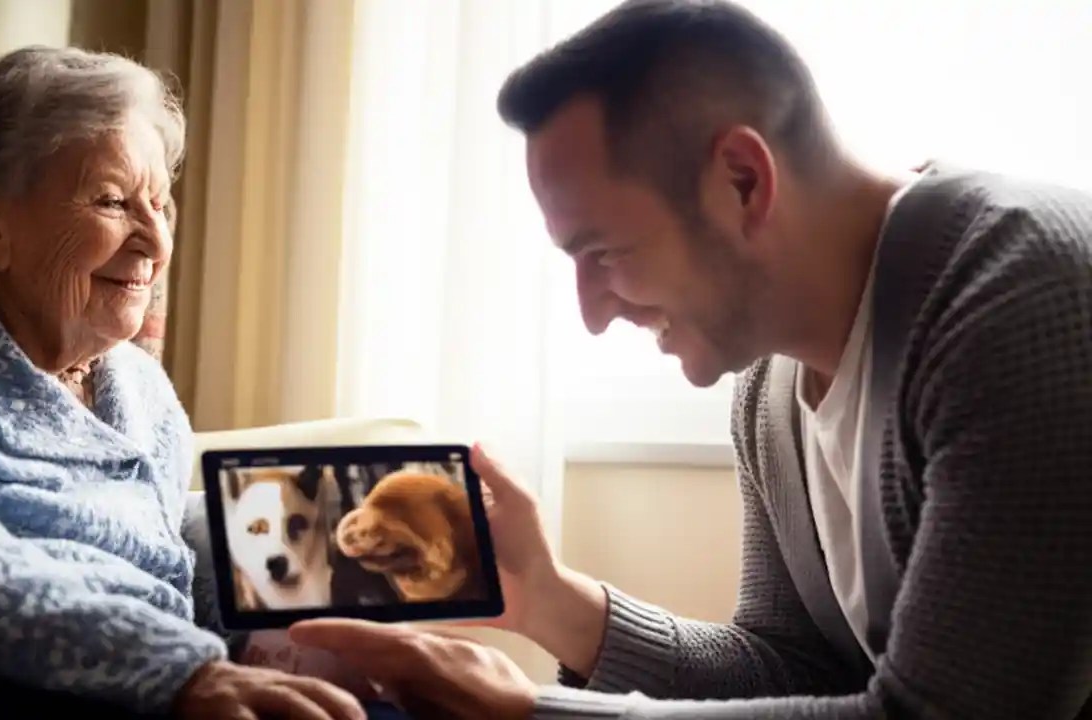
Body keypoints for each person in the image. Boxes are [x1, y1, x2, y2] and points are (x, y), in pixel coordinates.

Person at [289, 1, 1092, 718]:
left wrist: (536, 715)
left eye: (604, 252)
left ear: (743, 181)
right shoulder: (767, 387)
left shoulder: (1021, 294)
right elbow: (788, 668)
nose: (592, 314)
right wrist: (551, 600)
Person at [0, 46, 366, 720]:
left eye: (161, 203)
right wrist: (184, 673)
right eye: (113, 201)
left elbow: (169, 547)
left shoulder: (139, 385)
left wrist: (354, 585)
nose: (156, 241)